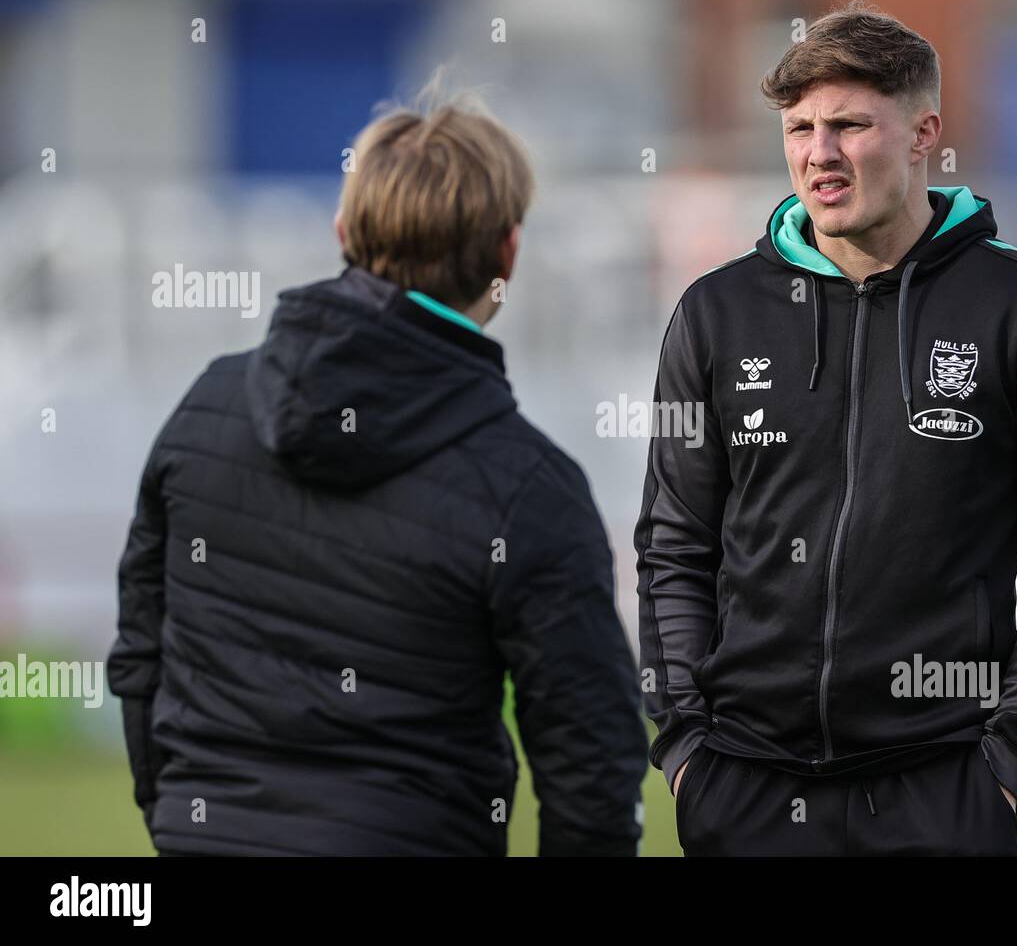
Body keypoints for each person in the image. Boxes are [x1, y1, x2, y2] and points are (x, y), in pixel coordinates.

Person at [635, 1, 1017, 856]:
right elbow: (675, 545)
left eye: (850, 125)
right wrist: (685, 747)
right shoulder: (715, 314)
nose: (819, 153)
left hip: (942, 789)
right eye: (799, 128)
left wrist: (1006, 759)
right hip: (743, 792)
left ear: (923, 130)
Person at [107, 85, 647, 856]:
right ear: (508, 253)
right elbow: (592, 761)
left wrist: (183, 816)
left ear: (341, 230)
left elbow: (138, 655)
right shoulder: (527, 484)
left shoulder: (206, 407)